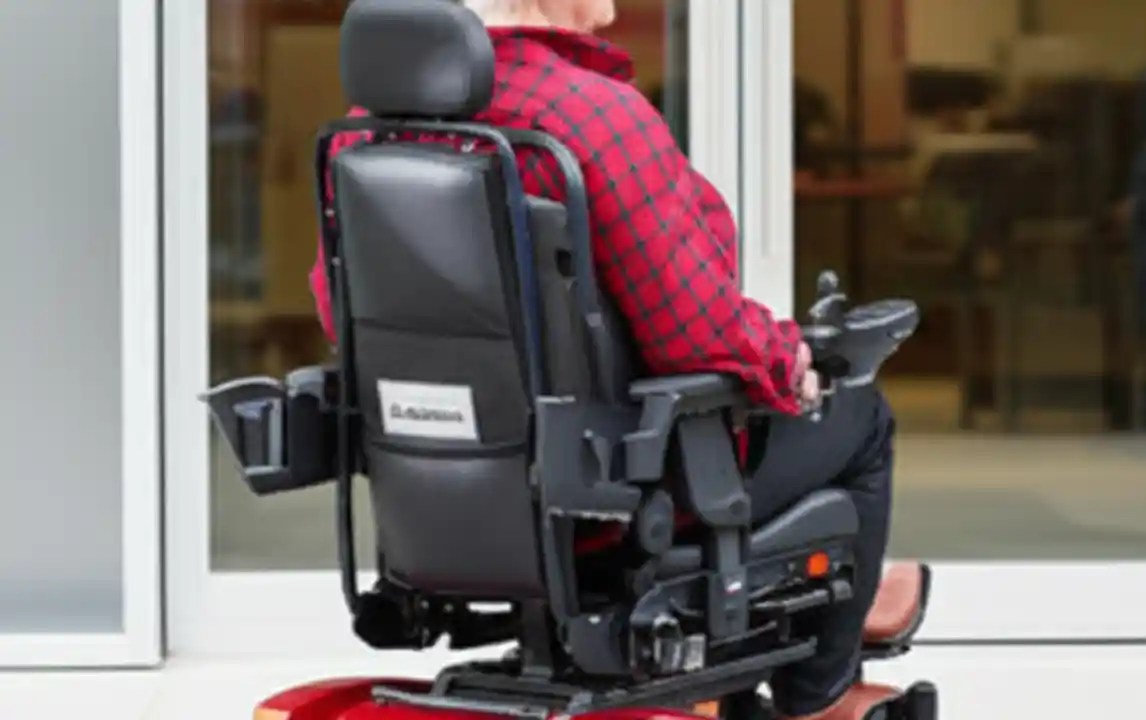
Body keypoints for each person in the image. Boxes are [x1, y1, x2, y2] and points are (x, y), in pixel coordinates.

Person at [307, 2, 895, 719]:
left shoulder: (368, 133)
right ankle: (821, 698)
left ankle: (739, 682)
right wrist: (789, 355)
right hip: (617, 502)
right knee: (859, 416)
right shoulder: (591, 117)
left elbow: (344, 319)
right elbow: (697, 332)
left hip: (445, 502)